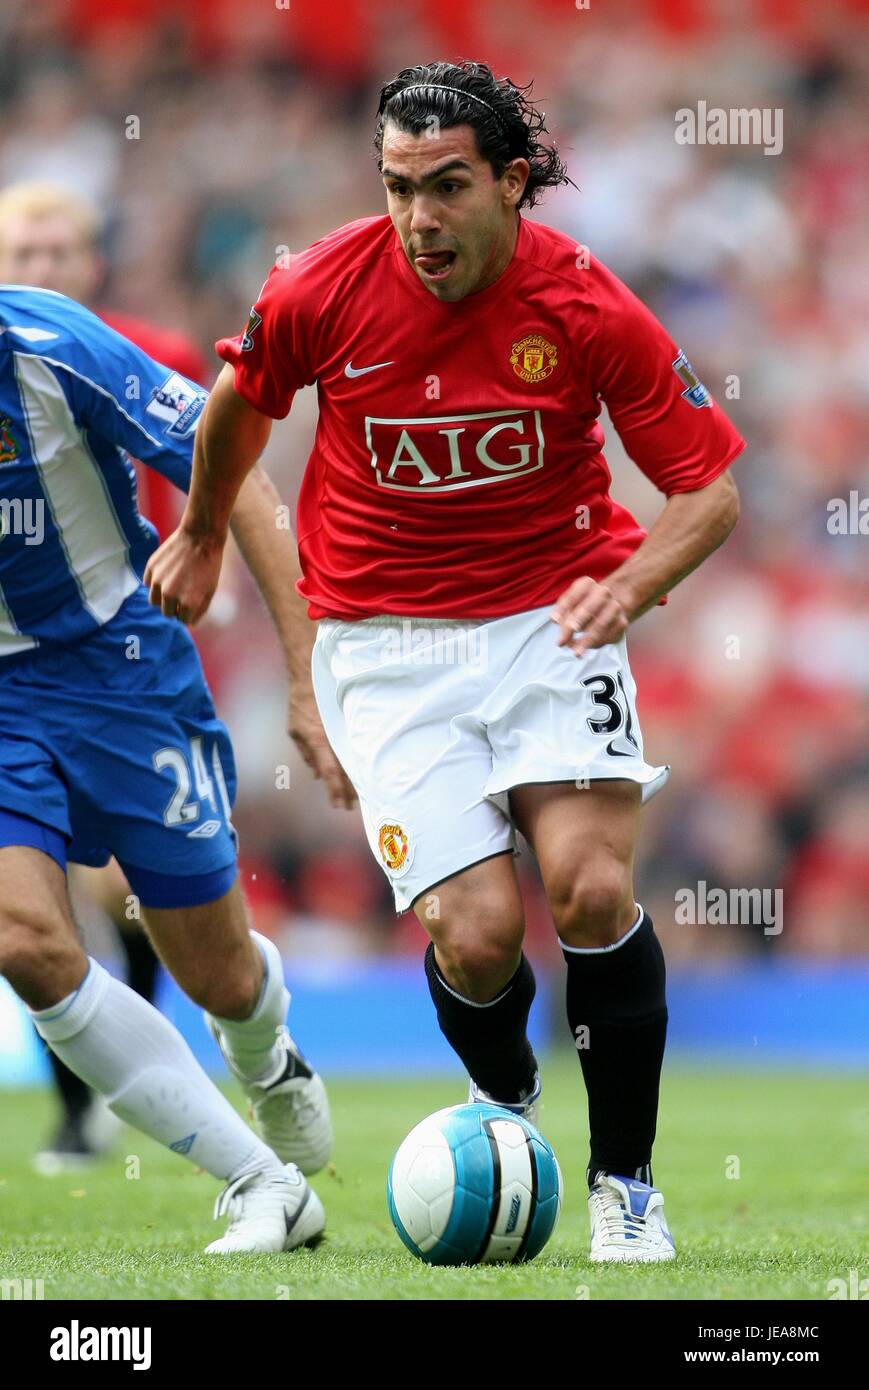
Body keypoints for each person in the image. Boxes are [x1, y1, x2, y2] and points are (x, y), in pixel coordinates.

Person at [145, 60, 745, 1264]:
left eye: (445, 186)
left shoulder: (585, 305)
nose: (417, 217)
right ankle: (508, 1105)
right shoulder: (318, 284)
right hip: (382, 643)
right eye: (396, 186)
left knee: (584, 887)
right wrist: (204, 529)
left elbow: (707, 490)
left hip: (549, 618)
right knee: (474, 935)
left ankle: (625, 1186)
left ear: (511, 182)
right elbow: (235, 404)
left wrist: (631, 582)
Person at [0, 284, 351, 1252]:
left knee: (217, 973)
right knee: (24, 939)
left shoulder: (52, 346)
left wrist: (304, 680)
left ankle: (263, 1050)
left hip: (121, 677)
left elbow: (237, 466)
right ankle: (259, 1182)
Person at [0, 180, 210, 1166]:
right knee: (39, 907)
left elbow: (213, 463)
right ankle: (84, 1108)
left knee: (129, 886)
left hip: (131, 642)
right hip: (21, 660)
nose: (41, 270)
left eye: (57, 253)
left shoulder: (129, 350)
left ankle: (170, 1071)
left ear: (91, 264)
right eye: (23, 253)